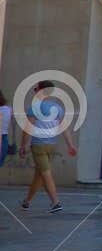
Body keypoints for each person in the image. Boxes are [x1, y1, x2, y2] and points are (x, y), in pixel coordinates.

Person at [19, 81, 75, 213]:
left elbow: (28, 130)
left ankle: (56, 203)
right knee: (39, 175)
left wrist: (22, 146)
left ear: (40, 90)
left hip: (38, 146)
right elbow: (64, 129)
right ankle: (26, 202)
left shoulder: (34, 108)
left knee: (45, 174)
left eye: (35, 89)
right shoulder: (58, 108)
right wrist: (70, 145)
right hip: (52, 145)